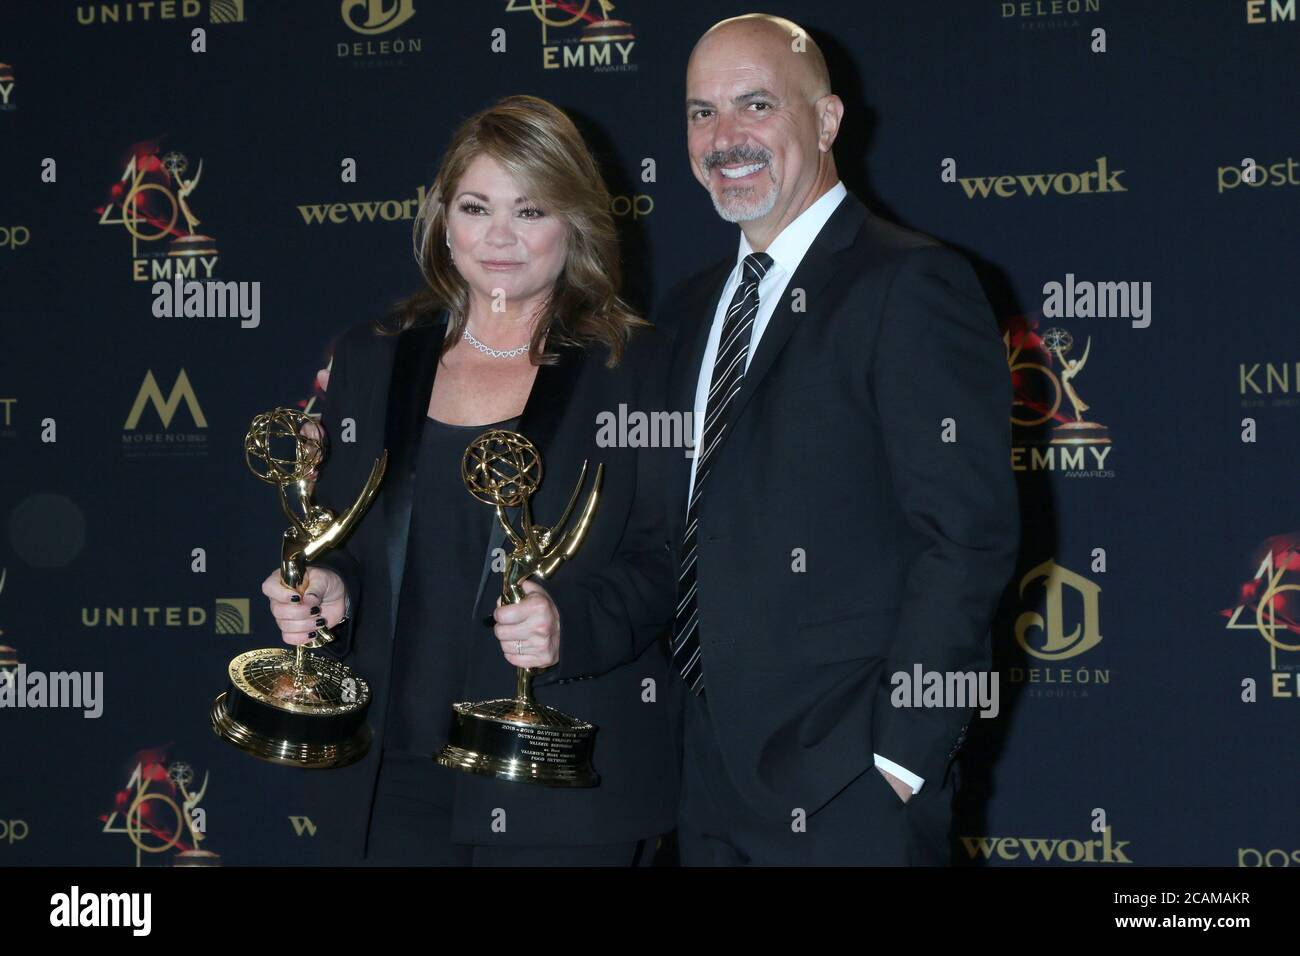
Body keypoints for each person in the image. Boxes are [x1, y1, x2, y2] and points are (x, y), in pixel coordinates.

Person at [261, 95, 677, 866]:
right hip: (387, 768)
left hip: (560, 780)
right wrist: (327, 587)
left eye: (531, 210)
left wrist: (569, 626)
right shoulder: (373, 355)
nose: (498, 238)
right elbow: (345, 533)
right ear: (441, 217)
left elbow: (667, 560)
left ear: (576, 221)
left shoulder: (638, 367)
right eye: (476, 206)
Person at [662, 14, 1020, 865]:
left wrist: (898, 759)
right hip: (698, 782)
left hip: (844, 785)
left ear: (825, 121)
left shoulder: (910, 283)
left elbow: (967, 538)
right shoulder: (684, 311)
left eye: (755, 105)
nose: (725, 138)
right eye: (701, 113)